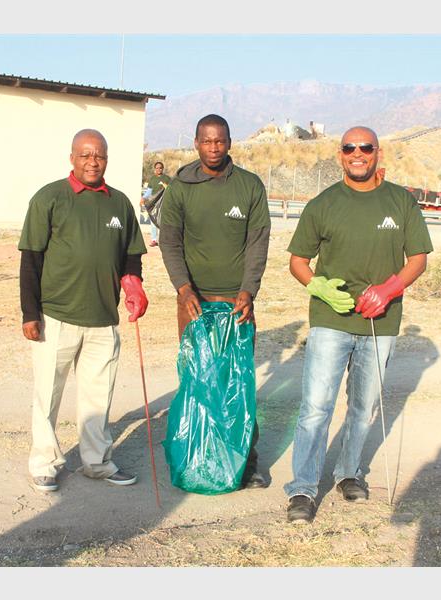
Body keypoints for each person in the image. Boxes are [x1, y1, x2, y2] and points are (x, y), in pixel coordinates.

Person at [283, 126, 434, 523]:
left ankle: (349, 473)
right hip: (330, 320)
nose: (358, 153)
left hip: (379, 324)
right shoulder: (324, 204)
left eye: (365, 147)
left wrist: (388, 289)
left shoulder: (400, 201)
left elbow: (418, 258)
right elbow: (297, 260)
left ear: (377, 153)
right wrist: (316, 285)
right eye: (350, 147)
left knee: (363, 406)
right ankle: (302, 488)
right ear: (340, 154)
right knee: (316, 406)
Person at [18, 128, 149, 493]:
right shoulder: (49, 198)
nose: (93, 161)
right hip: (56, 316)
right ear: (72, 158)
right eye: (86, 155)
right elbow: (31, 259)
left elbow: (131, 255)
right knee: (48, 393)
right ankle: (44, 463)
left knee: (97, 396)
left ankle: (97, 462)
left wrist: (133, 284)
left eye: (100, 155)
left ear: (107, 159)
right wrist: (30, 313)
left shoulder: (120, 203)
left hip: (103, 318)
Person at [158, 113, 271, 490]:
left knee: (238, 382)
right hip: (194, 301)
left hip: (238, 303)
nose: (213, 147)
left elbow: (257, 243)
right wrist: (183, 288)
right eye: (207, 141)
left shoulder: (250, 186)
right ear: (196, 143)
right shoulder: (181, 186)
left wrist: (248, 291)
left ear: (229, 143)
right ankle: (195, 457)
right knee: (197, 379)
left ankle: (246, 463)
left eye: (220, 141)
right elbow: (170, 242)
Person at [141, 161, 171, 247]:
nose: (158, 169)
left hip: (164, 203)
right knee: (153, 221)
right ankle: (154, 240)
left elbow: (171, 190)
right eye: (157, 168)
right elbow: (149, 192)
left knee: (163, 221)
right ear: (155, 169)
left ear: (162, 169)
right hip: (154, 204)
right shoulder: (152, 179)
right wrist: (143, 198)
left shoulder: (167, 178)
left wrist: (166, 186)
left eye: (160, 168)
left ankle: (163, 240)